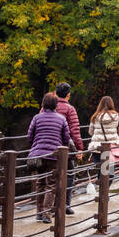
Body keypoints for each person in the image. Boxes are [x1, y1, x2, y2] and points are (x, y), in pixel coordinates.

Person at [27, 93, 72, 223]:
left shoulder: (36, 117)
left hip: (39, 155)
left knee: (40, 183)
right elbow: (66, 138)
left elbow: (29, 136)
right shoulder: (61, 119)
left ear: (43, 104)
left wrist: (37, 145)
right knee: (51, 184)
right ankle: (47, 214)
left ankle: (39, 213)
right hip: (54, 155)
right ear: (55, 105)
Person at [54, 82, 85, 214]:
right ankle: (65, 204)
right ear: (68, 95)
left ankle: (49, 206)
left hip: (49, 147)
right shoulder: (69, 109)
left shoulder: (46, 107)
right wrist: (79, 148)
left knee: (50, 177)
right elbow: (74, 130)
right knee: (69, 174)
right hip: (65, 147)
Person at [87, 96, 119, 187]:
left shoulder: (95, 117)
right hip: (111, 148)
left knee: (101, 170)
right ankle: (104, 192)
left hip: (97, 148)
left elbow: (90, 132)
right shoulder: (116, 116)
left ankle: (101, 191)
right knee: (109, 172)